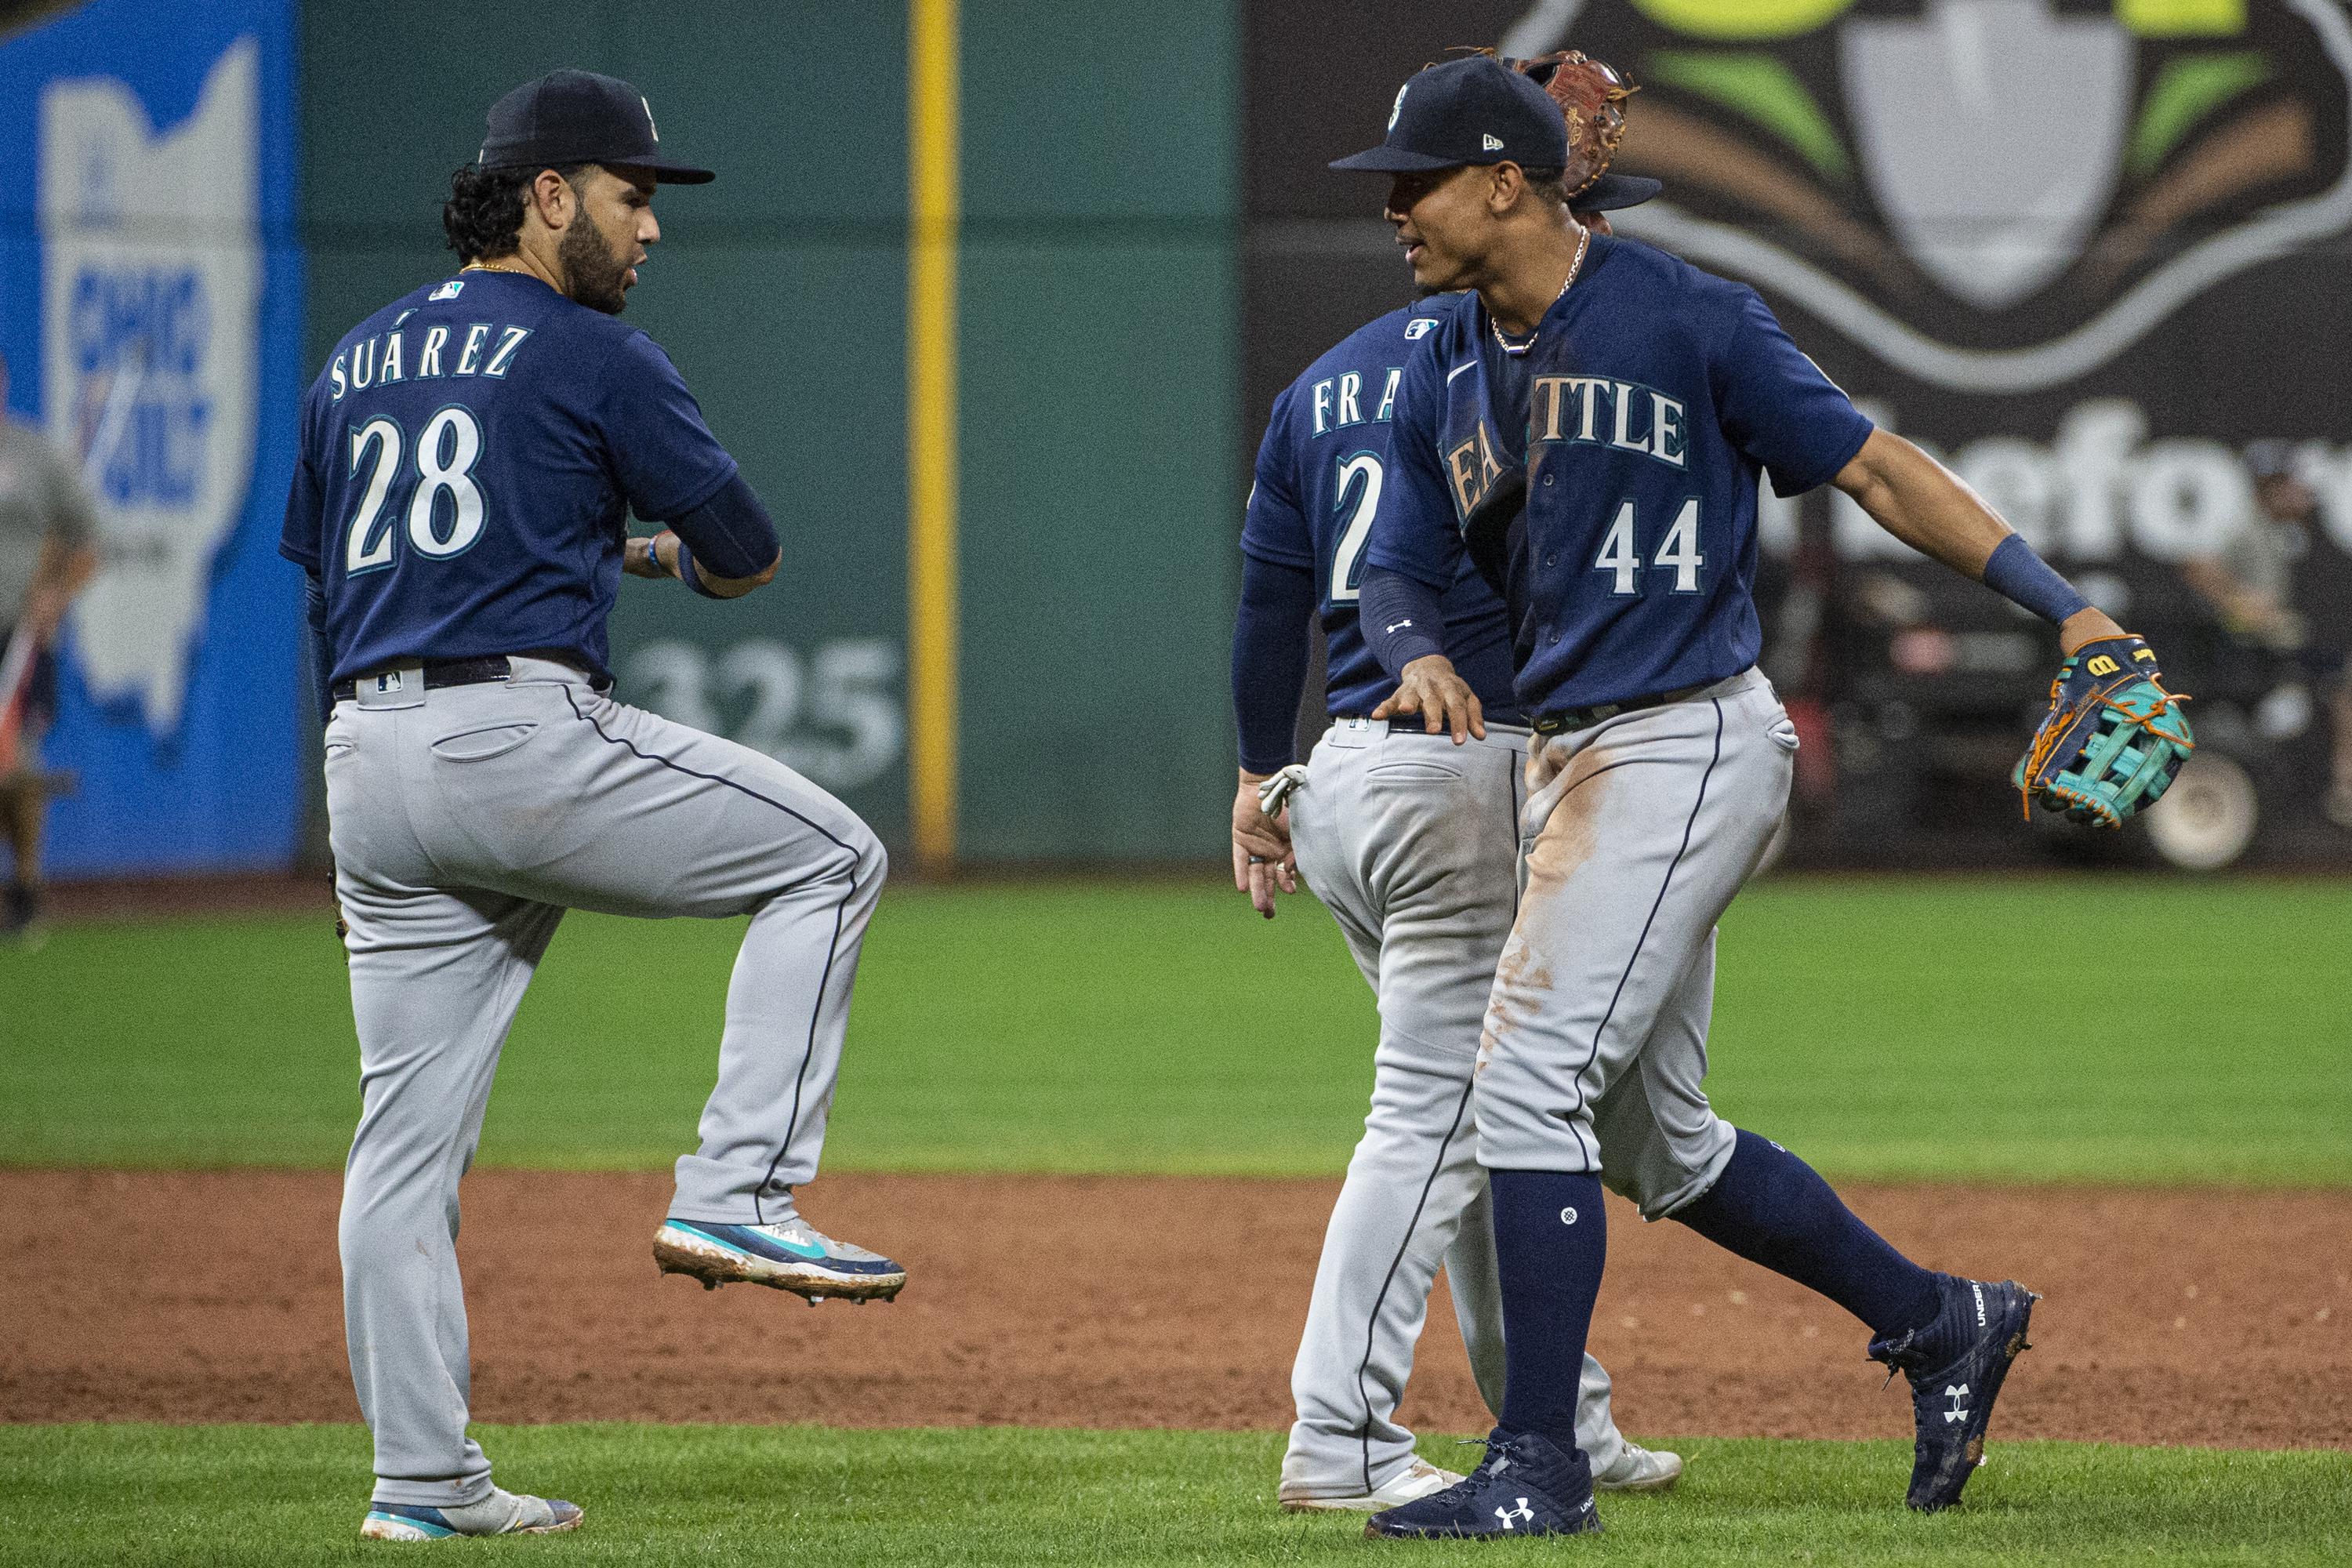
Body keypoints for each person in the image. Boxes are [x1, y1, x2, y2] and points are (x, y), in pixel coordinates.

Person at [1327, 51, 2165, 1538]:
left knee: (1520, 1080)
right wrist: (1406, 646)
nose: (1394, 208)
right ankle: (1942, 1319)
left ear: (1505, 182)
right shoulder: (1447, 357)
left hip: (1686, 741)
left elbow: (1880, 471)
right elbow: (1392, 553)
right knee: (1661, 1145)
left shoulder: (1686, 315)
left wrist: (2068, 609)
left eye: (1418, 180)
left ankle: (1537, 1467)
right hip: (1561, 760)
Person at [281, 71, 901, 1543]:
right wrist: (660, 561)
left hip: (364, 758)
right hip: (518, 737)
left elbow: (329, 574)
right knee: (834, 856)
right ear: (546, 194)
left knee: (403, 1147)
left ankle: (422, 1483)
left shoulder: (353, 358)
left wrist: (564, 545)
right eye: (631, 197)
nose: (649, 231)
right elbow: (745, 551)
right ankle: (737, 1183)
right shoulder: (592, 351)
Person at [1232, 183, 1684, 1513]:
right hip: (1463, 761)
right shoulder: (1507, 367)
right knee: (1434, 1115)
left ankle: (1559, 1420)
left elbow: (1269, 597)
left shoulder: (1318, 384)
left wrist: (1261, 771)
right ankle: (1339, 1435)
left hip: (1345, 782)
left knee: (1496, 1110)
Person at [2179, 441, 2352, 826]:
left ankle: (2342, 781)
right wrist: (2240, 603)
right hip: (2249, 649)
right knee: (2339, 681)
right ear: (2268, 487)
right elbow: (2196, 566)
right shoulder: (2245, 526)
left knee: (2337, 679)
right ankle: (2346, 783)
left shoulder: (2284, 532)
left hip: (2276, 646)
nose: (2298, 492)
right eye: (2287, 484)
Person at [0, 349, 101, 946]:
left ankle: (27, 889)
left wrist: (55, 596)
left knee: (18, 760)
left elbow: (86, 540)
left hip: (21, 631)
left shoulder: (35, 455)